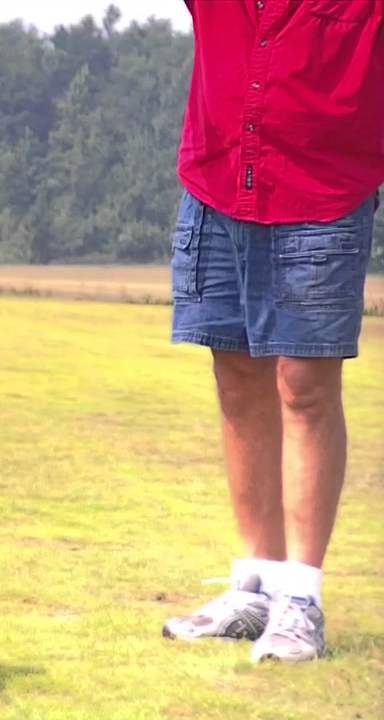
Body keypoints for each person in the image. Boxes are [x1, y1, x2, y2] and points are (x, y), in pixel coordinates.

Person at [160, 0, 382, 663]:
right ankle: (256, 585)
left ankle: (301, 599)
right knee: (236, 374)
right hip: (218, 182)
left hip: (321, 192)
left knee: (304, 386)